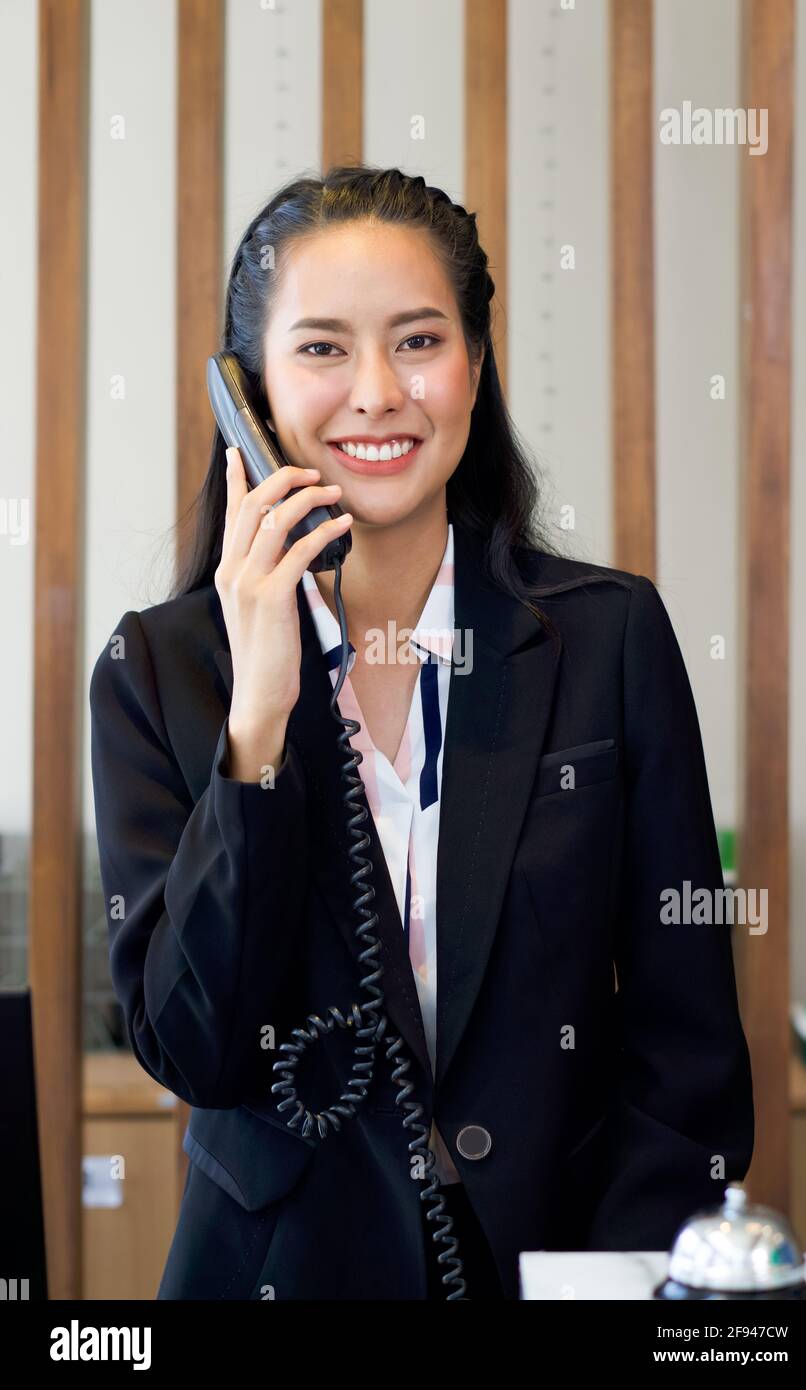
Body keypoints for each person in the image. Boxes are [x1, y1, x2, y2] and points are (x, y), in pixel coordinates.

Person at [89, 165, 754, 1301]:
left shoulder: (607, 639)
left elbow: (683, 1052)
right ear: (243, 396)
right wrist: (258, 719)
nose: (376, 393)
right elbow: (196, 1045)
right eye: (322, 349)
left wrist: (607, 1284)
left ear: (476, 366)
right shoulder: (159, 668)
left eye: (416, 340)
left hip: (555, 1268)